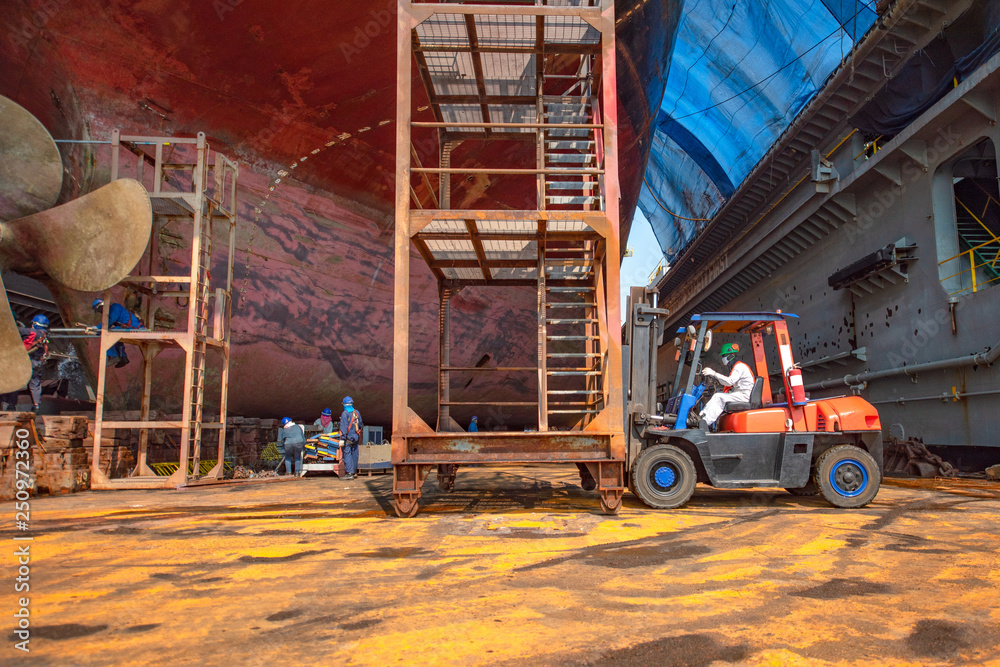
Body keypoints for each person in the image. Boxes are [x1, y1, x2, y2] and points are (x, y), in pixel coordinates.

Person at [698, 342, 754, 428]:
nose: (723, 359)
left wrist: (714, 373)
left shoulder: (739, 367)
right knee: (719, 395)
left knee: (718, 397)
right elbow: (729, 382)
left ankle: (704, 423)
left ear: (731, 355)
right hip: (740, 394)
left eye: (724, 356)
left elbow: (730, 381)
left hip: (744, 396)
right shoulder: (737, 367)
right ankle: (702, 417)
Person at [91, 298, 144, 368]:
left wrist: (97, 328)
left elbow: (109, 322)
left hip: (133, 327)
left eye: (100, 310)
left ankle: (113, 356)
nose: (101, 312)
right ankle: (123, 357)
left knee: (108, 334)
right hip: (129, 328)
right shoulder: (112, 311)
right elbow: (107, 326)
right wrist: (98, 332)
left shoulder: (115, 307)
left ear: (102, 306)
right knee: (116, 338)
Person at [19, 315, 50, 413]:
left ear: (35, 324)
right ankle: (36, 406)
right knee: (35, 383)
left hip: (26, 360)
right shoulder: (45, 335)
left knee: (15, 380)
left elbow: (15, 330)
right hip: (38, 361)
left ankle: (10, 405)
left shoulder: (30, 331)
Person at [339, 396, 363, 480]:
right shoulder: (357, 413)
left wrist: (342, 438)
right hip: (355, 437)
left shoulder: (345, 413)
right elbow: (360, 425)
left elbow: (344, 427)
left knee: (347, 454)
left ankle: (349, 473)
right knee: (355, 455)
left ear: (345, 404)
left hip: (348, 438)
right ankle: (354, 471)